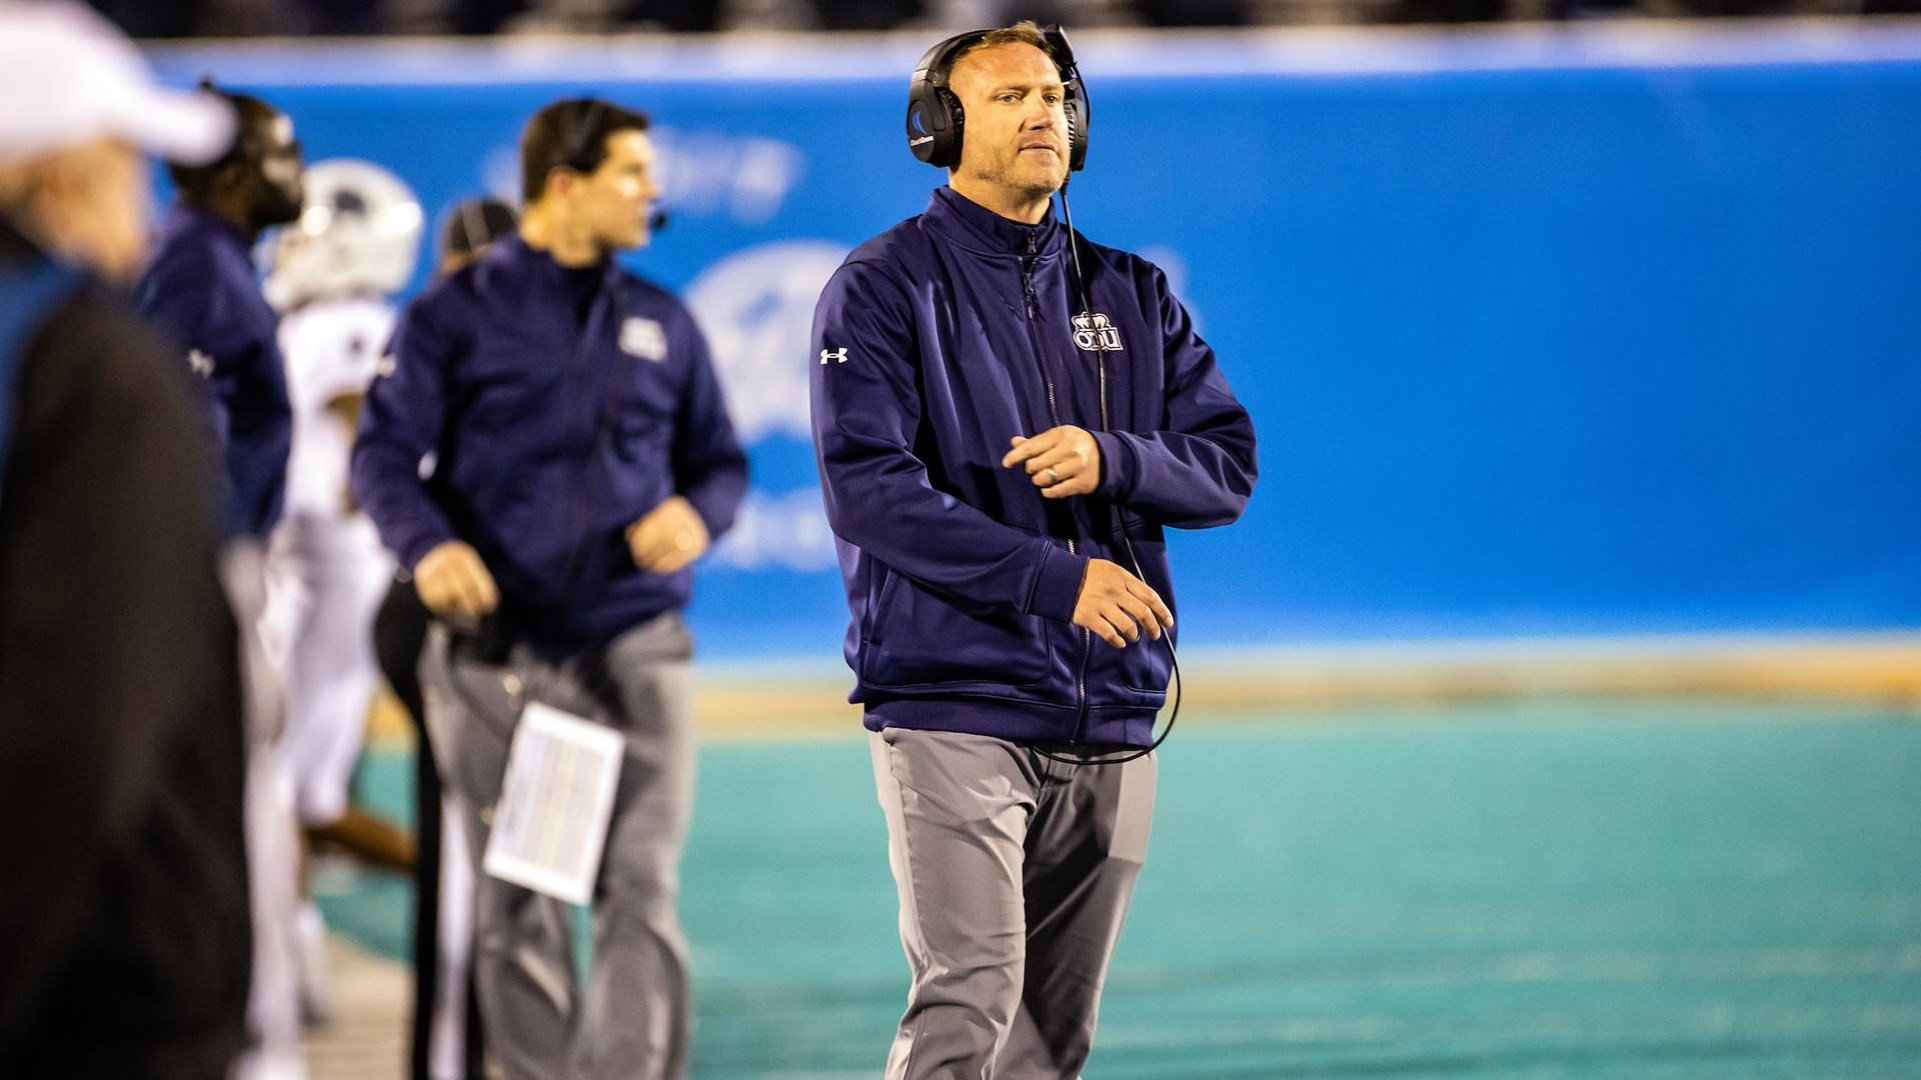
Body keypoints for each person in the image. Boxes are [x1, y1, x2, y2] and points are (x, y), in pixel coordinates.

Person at [809, 22, 1258, 1080]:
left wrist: (1113, 460)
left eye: (1055, 94)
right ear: (939, 128)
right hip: (955, 698)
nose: (1042, 113)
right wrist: (1054, 580)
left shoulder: (1132, 292)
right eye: (1008, 96)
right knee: (968, 1001)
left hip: (1111, 708)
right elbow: (868, 489)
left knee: (1052, 1039)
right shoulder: (881, 286)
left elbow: (1225, 467)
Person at [353, 99, 748, 1080]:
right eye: (629, 172)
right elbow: (384, 456)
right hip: (512, 662)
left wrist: (696, 515)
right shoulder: (456, 313)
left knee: (638, 887)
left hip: (636, 649)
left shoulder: (662, 317)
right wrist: (426, 548)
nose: (650, 190)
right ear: (563, 185)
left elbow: (721, 464)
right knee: (524, 901)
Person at [0, 2, 251, 1077]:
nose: (147, 216)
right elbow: (76, 725)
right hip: (92, 989)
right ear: (55, 174)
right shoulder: (95, 366)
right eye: (125, 167)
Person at [135, 81, 310, 1080]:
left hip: (224, 569)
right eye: (281, 155)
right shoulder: (197, 270)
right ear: (236, 169)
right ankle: (252, 1043)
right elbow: (181, 442)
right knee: (240, 815)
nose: (295, 175)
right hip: (208, 575)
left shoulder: (211, 263)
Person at [261, 156, 426, 1026]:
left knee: (292, 787)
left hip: (330, 563)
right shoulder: (321, 318)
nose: (288, 247)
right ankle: (284, 945)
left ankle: (282, 956)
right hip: (319, 558)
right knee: (290, 785)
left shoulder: (350, 321)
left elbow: (372, 437)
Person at [371, 195, 519, 1080]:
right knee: (470, 863)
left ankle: (499, 1047)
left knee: (529, 858)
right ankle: (453, 1060)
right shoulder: (448, 336)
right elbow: (380, 460)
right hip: (450, 617)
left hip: (518, 624)